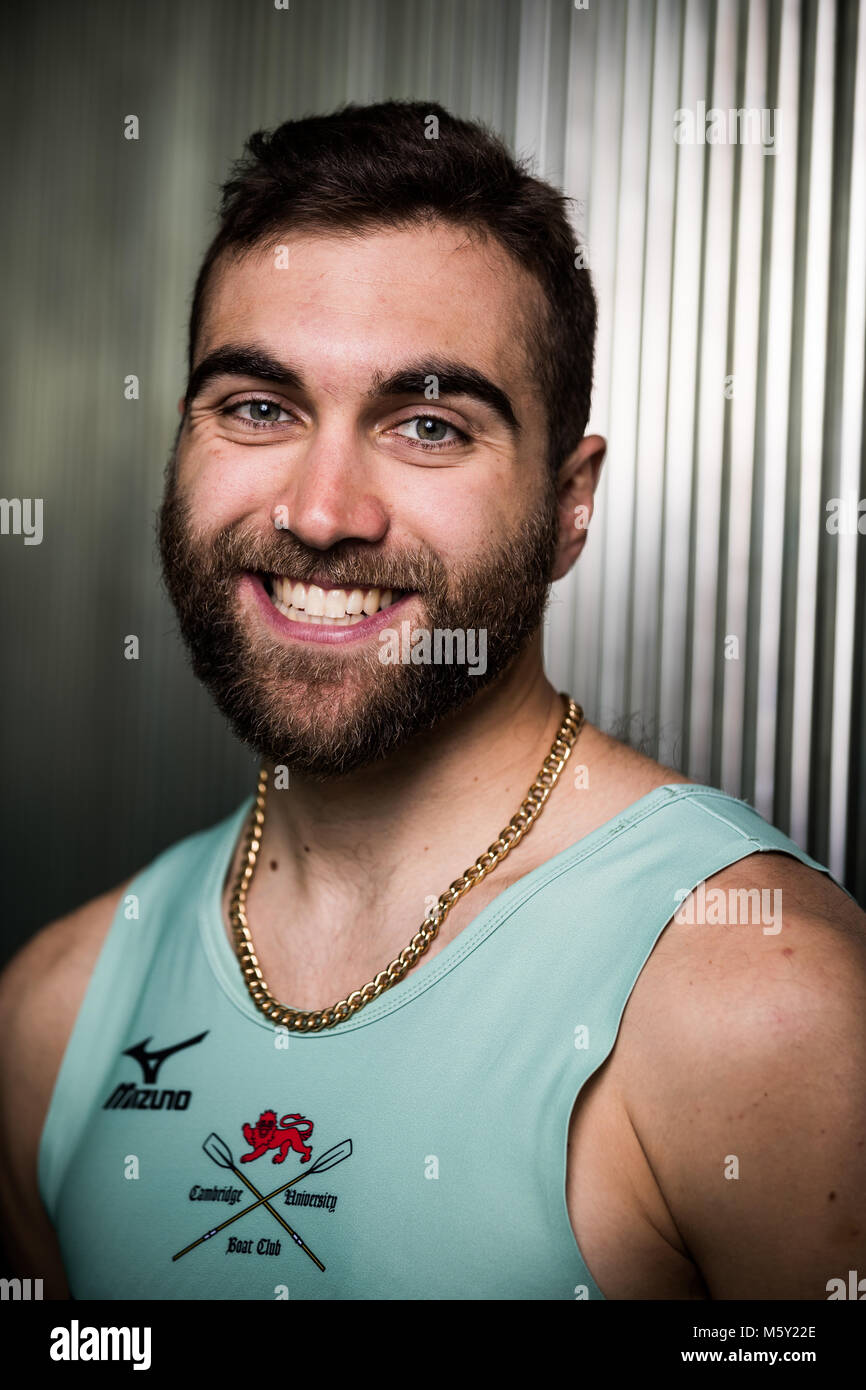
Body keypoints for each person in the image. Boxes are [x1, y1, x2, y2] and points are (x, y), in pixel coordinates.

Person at [1, 100, 864, 1302]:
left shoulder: (766, 1008)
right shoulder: (54, 1011)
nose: (318, 511)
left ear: (569, 503)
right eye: (258, 407)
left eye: (424, 424)